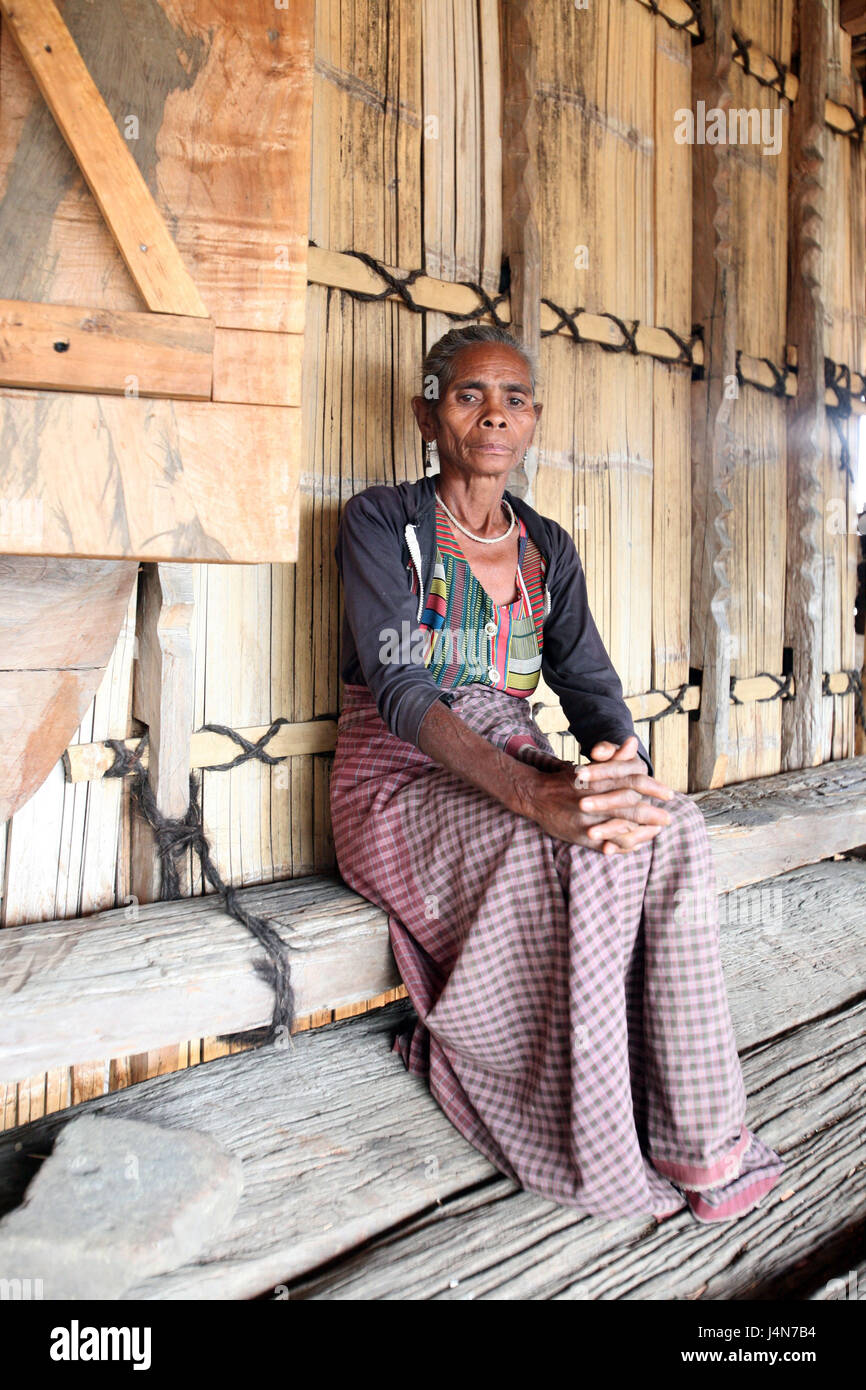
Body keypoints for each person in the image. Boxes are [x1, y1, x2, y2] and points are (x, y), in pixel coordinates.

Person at [329, 322, 784, 1224]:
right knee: (584, 854)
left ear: (533, 419)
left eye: (515, 398)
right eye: (467, 395)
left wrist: (621, 768)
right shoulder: (384, 523)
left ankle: (700, 1138)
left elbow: (588, 686)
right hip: (402, 783)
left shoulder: (546, 547)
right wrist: (542, 797)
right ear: (428, 414)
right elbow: (401, 687)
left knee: (671, 826)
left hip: (515, 761)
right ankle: (597, 1134)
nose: (493, 414)